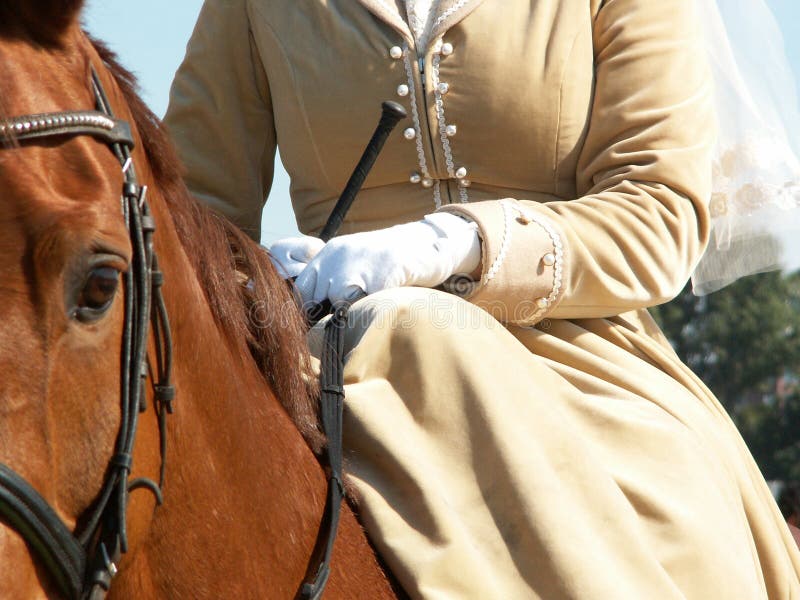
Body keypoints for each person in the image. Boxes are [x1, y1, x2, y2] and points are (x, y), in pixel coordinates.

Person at [164, 0, 800, 597]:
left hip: (582, 357)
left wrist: (451, 245)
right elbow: (185, 214)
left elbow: (658, 214)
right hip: (332, 350)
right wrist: (261, 283)